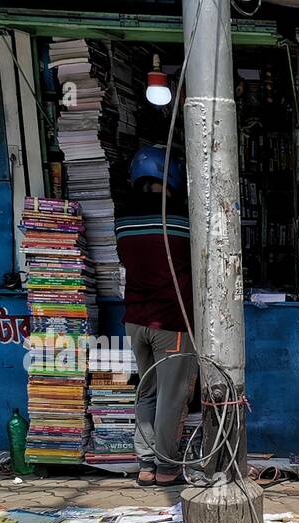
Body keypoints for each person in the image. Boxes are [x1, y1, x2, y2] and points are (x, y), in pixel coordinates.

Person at [115, 145, 198, 487]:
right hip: (171, 320)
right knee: (172, 395)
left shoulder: (122, 215)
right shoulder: (182, 215)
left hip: (135, 318)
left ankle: (145, 464)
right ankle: (166, 467)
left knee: (146, 391)